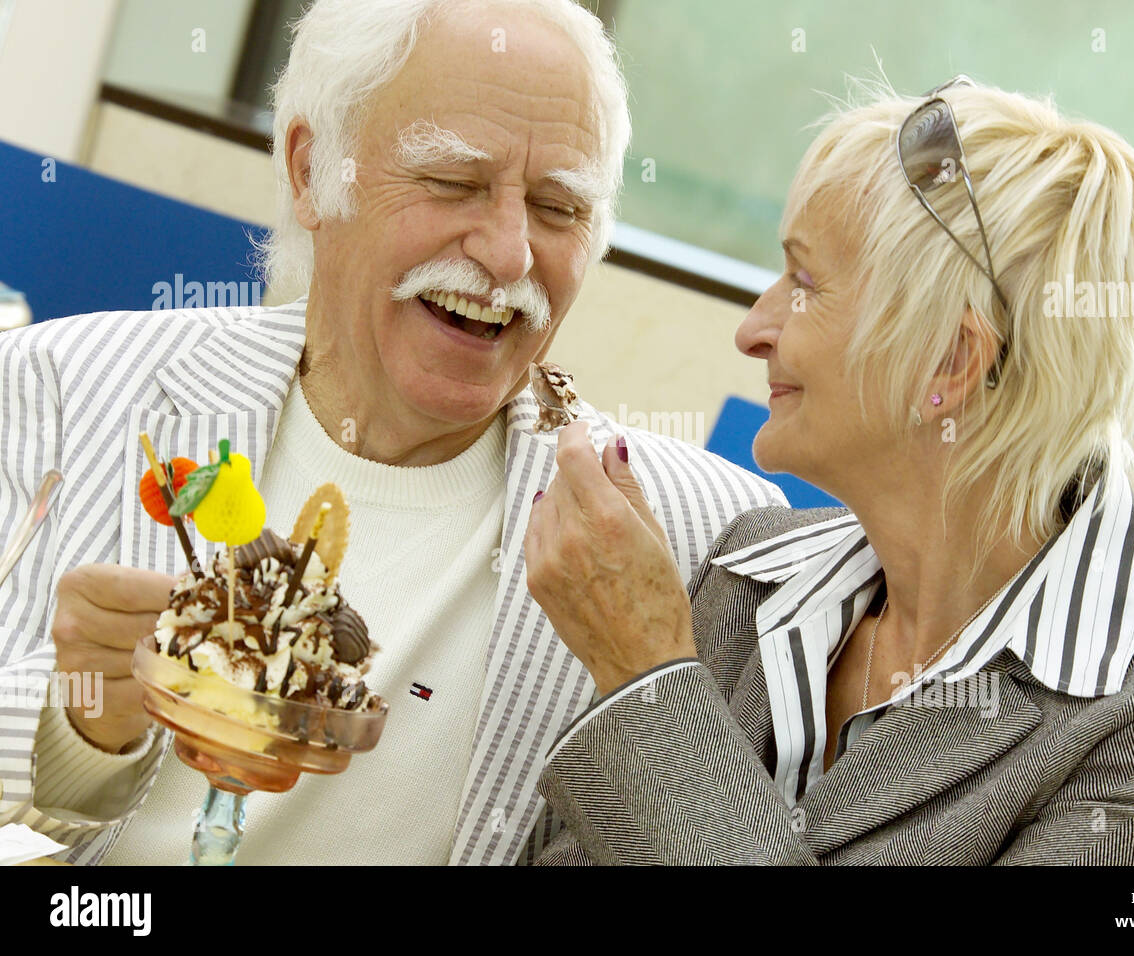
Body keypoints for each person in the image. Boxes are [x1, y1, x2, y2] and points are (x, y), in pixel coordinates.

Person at [0, 0, 782, 866]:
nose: (511, 253)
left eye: (559, 207)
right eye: (454, 183)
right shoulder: (62, 389)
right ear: (310, 173)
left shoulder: (698, 538)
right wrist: (83, 729)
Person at [524, 78, 1134, 864]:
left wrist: (650, 677)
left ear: (951, 363)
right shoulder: (745, 573)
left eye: (804, 284)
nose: (754, 330)